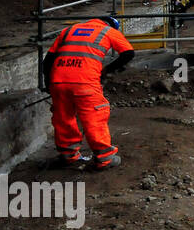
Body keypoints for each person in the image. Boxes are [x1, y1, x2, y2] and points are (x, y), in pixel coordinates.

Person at [42, 15, 135, 169]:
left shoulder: (68, 30)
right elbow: (128, 53)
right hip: (85, 82)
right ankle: (105, 158)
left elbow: (47, 61)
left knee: (63, 118)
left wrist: (49, 85)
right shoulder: (108, 31)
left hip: (58, 81)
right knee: (94, 117)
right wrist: (106, 70)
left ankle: (68, 155)